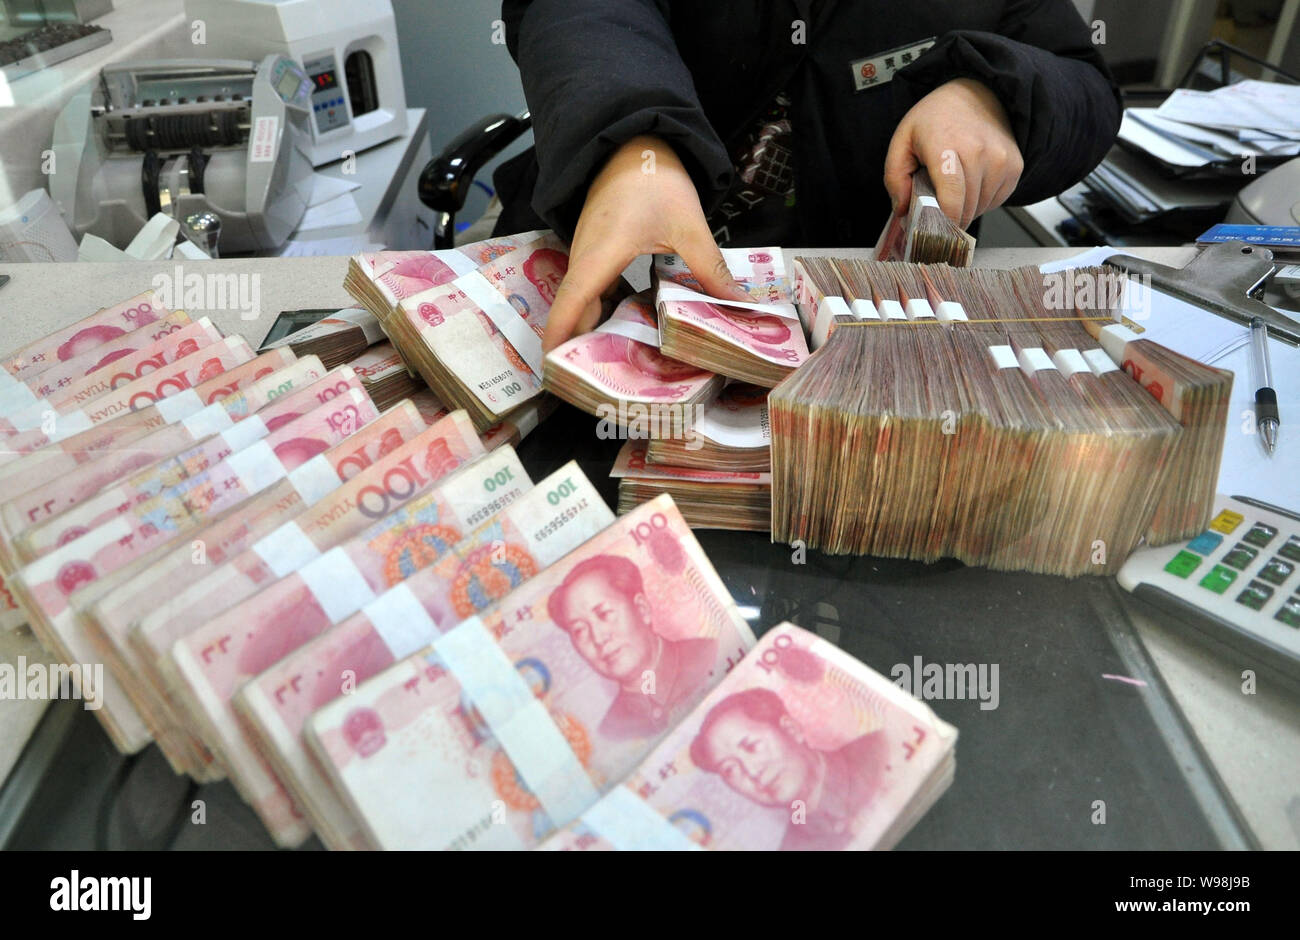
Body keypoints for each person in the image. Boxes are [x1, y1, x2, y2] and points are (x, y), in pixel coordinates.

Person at [492, 1, 1123, 352]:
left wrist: (995, 94)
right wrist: (631, 143)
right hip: (602, 258)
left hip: (867, 333)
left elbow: (1084, 80)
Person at [688, 687, 888, 850]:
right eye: (730, 770)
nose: (751, 771)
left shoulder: (882, 750)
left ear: (791, 729)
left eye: (751, 746)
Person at [546, 554, 717, 739]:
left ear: (642, 608)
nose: (598, 638)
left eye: (604, 614)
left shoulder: (712, 655)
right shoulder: (611, 731)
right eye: (580, 630)